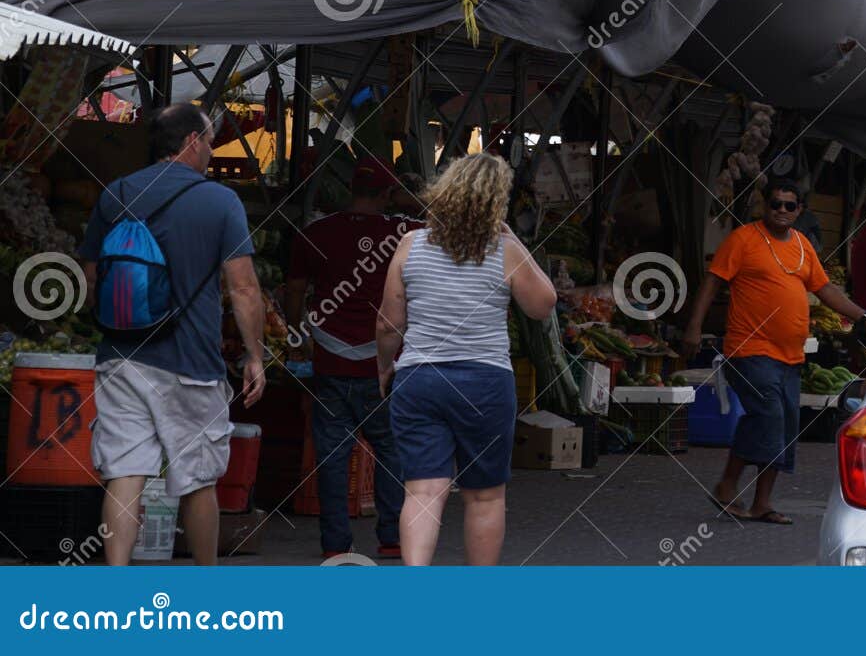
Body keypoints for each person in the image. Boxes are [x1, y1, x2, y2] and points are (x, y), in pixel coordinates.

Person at [79, 104, 266, 566]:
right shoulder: (221, 201)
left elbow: (87, 279)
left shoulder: (116, 192)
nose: (209, 150)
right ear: (189, 143)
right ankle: (205, 586)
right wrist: (255, 356)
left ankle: (117, 583)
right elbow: (243, 287)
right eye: (208, 140)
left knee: (125, 471)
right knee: (198, 478)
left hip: (120, 358)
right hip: (191, 363)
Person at [375, 153, 556, 565]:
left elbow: (389, 323)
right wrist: (515, 241)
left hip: (419, 379)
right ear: (497, 202)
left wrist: (386, 367)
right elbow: (543, 305)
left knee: (422, 490)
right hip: (485, 384)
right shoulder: (505, 249)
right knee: (485, 495)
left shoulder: (410, 244)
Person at [681, 179, 866, 524]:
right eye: (775, 204)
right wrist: (693, 327)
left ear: (800, 210)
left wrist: (864, 317)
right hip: (749, 349)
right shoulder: (743, 239)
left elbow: (825, 290)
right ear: (764, 206)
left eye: (789, 206)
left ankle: (761, 502)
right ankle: (727, 484)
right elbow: (712, 282)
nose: (781, 211)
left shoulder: (802, 246)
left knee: (784, 424)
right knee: (769, 416)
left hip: (790, 354)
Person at [284, 157, 422, 560]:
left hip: (330, 361)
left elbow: (294, 290)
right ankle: (392, 535)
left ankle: (335, 544)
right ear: (387, 194)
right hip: (383, 363)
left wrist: (298, 336)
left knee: (332, 456)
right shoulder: (406, 233)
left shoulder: (316, 232)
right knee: (391, 449)